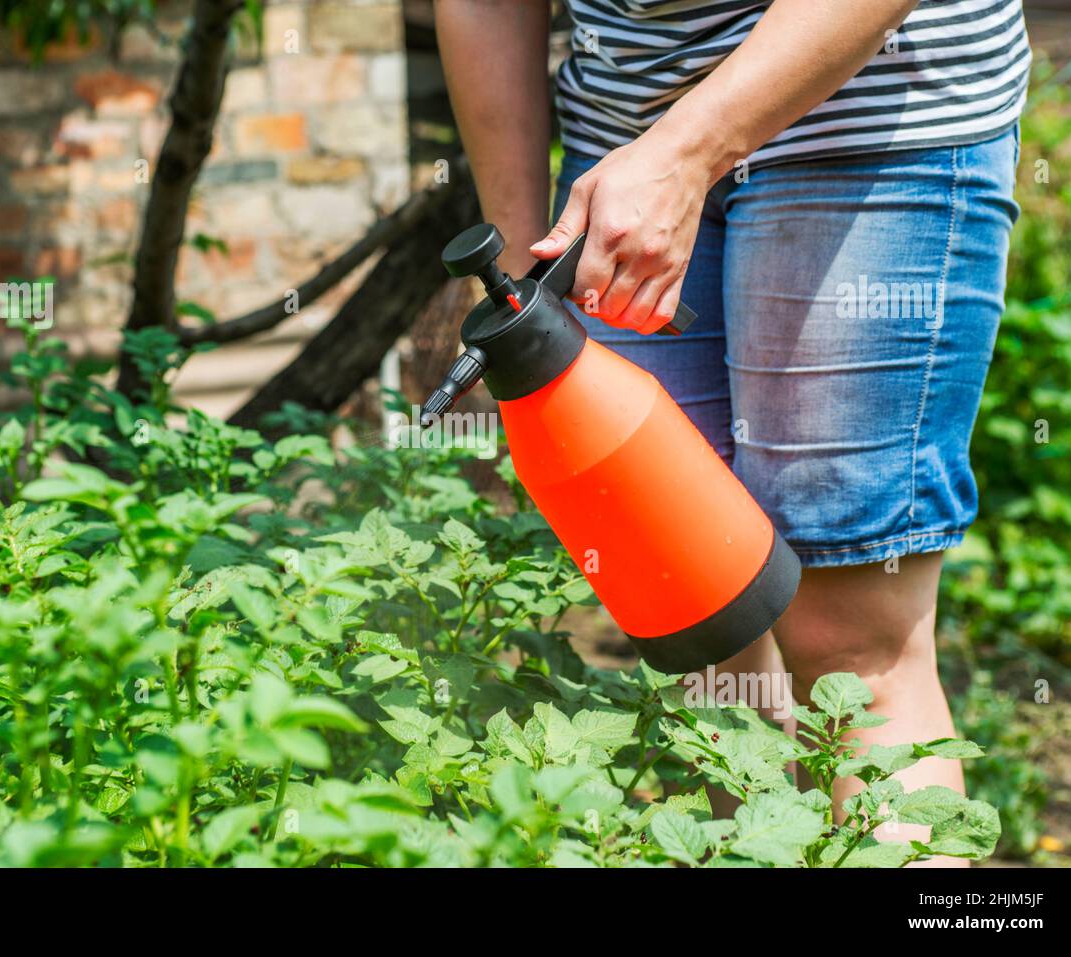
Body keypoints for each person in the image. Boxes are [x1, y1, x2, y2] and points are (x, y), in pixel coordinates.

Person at [436, 0, 1029, 865]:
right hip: (622, 149)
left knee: (851, 647)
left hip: (865, 119)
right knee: (706, 624)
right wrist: (523, 265)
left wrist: (689, 154)